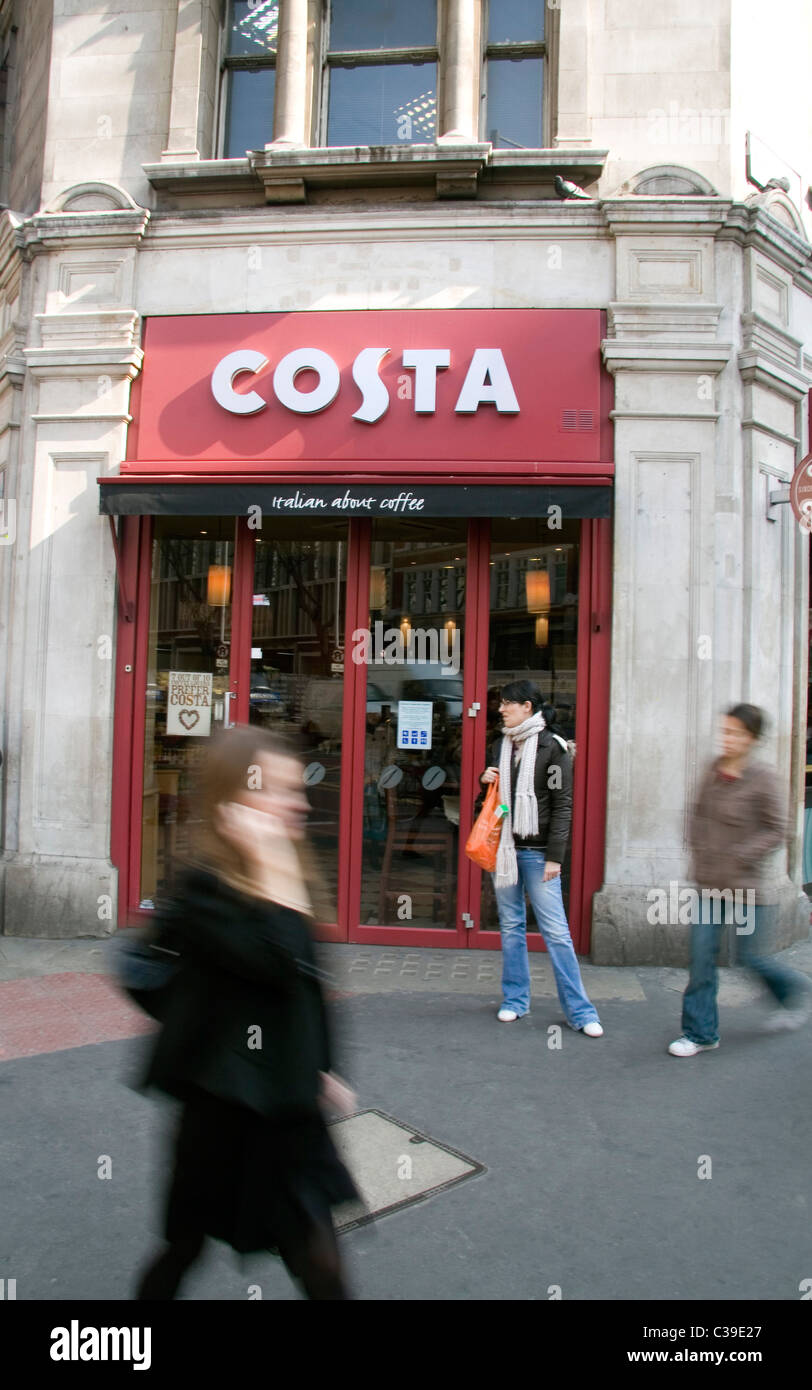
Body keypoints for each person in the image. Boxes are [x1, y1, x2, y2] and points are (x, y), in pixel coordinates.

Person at [132, 725, 360, 1300]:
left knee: (320, 1261)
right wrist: (272, 868)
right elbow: (279, 965)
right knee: (183, 1246)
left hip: (286, 1111)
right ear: (234, 800)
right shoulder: (208, 893)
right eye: (279, 790)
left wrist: (324, 1067)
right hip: (224, 1115)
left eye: (297, 788)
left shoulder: (285, 873)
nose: (300, 802)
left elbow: (306, 989)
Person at [669, 704, 811, 1058]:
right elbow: (696, 812)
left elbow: (778, 829)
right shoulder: (714, 770)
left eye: (734, 733)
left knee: (752, 959)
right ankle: (701, 1034)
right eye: (724, 731)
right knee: (701, 958)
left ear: (751, 739)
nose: (726, 738)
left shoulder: (764, 777)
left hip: (748, 886)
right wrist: (698, 847)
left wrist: (742, 855)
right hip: (710, 882)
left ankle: (794, 990)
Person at [479, 681, 603, 1036]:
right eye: (501, 704)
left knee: (557, 933)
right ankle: (515, 1000)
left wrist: (555, 858)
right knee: (511, 927)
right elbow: (492, 804)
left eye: (507, 704)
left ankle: (581, 1012)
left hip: (537, 854)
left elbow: (563, 807)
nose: (501, 709)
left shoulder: (554, 748)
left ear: (527, 706)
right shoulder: (499, 745)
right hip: (505, 850)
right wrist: (483, 779)